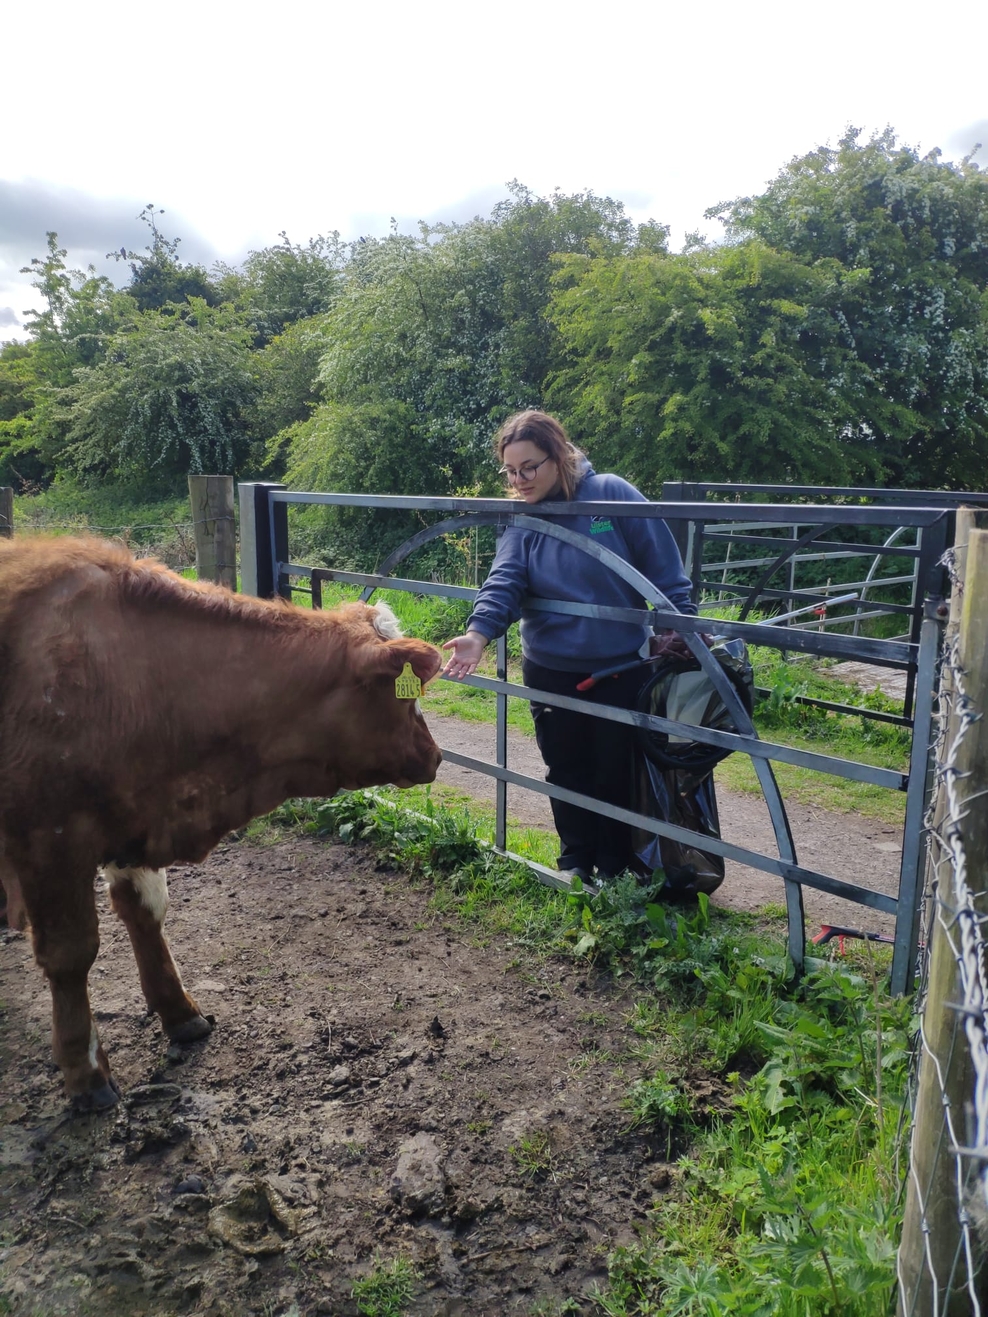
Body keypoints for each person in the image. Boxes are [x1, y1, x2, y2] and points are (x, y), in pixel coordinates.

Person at [442, 410, 698, 882]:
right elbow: (505, 581)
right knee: (566, 769)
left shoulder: (612, 496)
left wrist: (680, 629)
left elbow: (664, 572)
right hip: (551, 668)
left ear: (558, 457)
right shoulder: (523, 519)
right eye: (510, 471)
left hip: (620, 667)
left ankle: (619, 871)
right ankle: (576, 864)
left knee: (616, 773)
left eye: (529, 467)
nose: (519, 480)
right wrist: (478, 634)